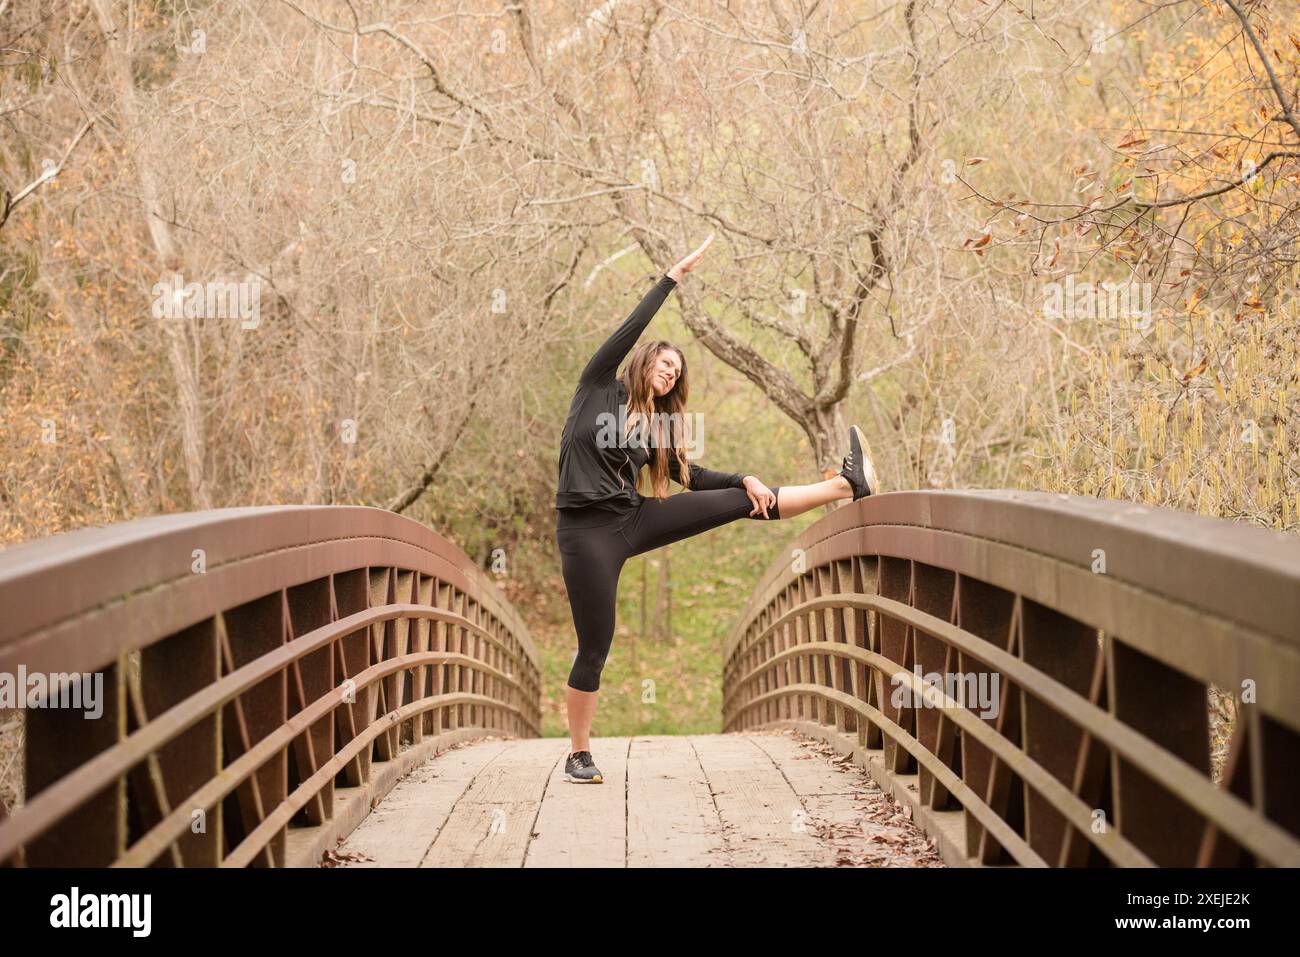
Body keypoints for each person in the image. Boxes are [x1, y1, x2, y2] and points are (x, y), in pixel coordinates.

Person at [554, 233, 878, 783]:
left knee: (736, 500)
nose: (671, 373)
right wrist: (671, 280)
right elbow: (628, 328)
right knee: (595, 645)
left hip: (630, 521)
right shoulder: (595, 389)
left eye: (677, 373)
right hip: (584, 533)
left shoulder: (656, 428)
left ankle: (847, 487)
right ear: (645, 362)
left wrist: (743, 477)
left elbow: (690, 476)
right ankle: (578, 753)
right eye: (666, 364)